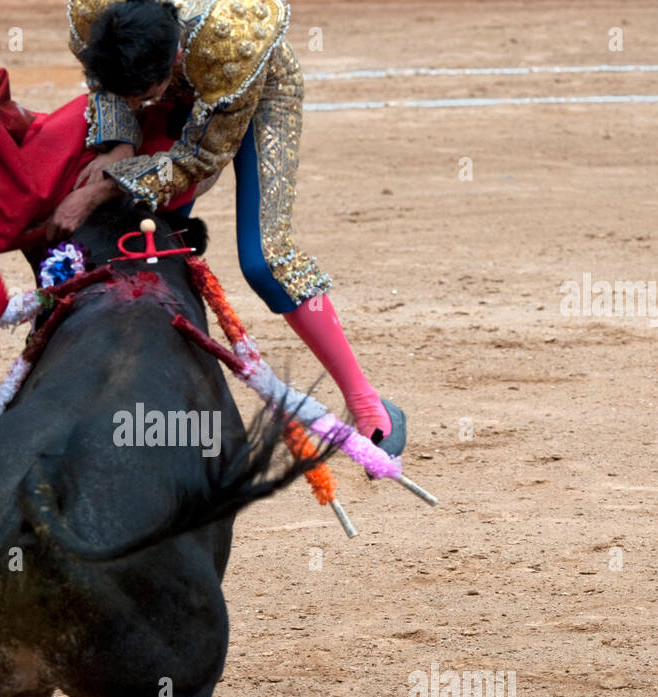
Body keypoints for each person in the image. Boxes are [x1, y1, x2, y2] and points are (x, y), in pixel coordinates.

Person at [52, 0, 406, 455]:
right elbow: (103, 82)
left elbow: (202, 158)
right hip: (174, 80)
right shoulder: (93, 13)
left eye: (143, 96)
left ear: (173, 61)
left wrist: (106, 185)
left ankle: (366, 401)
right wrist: (121, 144)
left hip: (254, 93)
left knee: (266, 261)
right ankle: (145, 402)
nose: (139, 106)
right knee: (147, 237)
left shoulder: (233, 37)